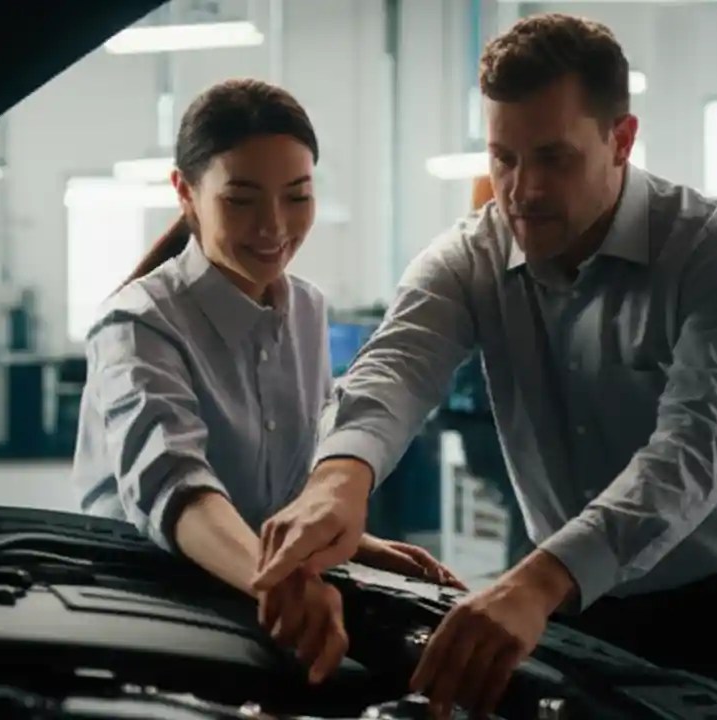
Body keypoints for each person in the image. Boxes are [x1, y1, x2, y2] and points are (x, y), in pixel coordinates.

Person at [252, 14, 717, 717]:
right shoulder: (470, 255)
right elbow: (393, 368)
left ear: (621, 140)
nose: (522, 190)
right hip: (565, 606)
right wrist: (338, 481)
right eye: (503, 158)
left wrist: (536, 582)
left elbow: (692, 451)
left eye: (553, 158)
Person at [71, 79, 462, 685]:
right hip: (144, 605)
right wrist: (277, 577)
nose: (273, 227)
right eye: (242, 199)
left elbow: (272, 495)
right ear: (185, 192)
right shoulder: (136, 323)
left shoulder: (306, 310)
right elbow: (175, 486)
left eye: (297, 196)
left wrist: (351, 541)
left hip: (257, 601)